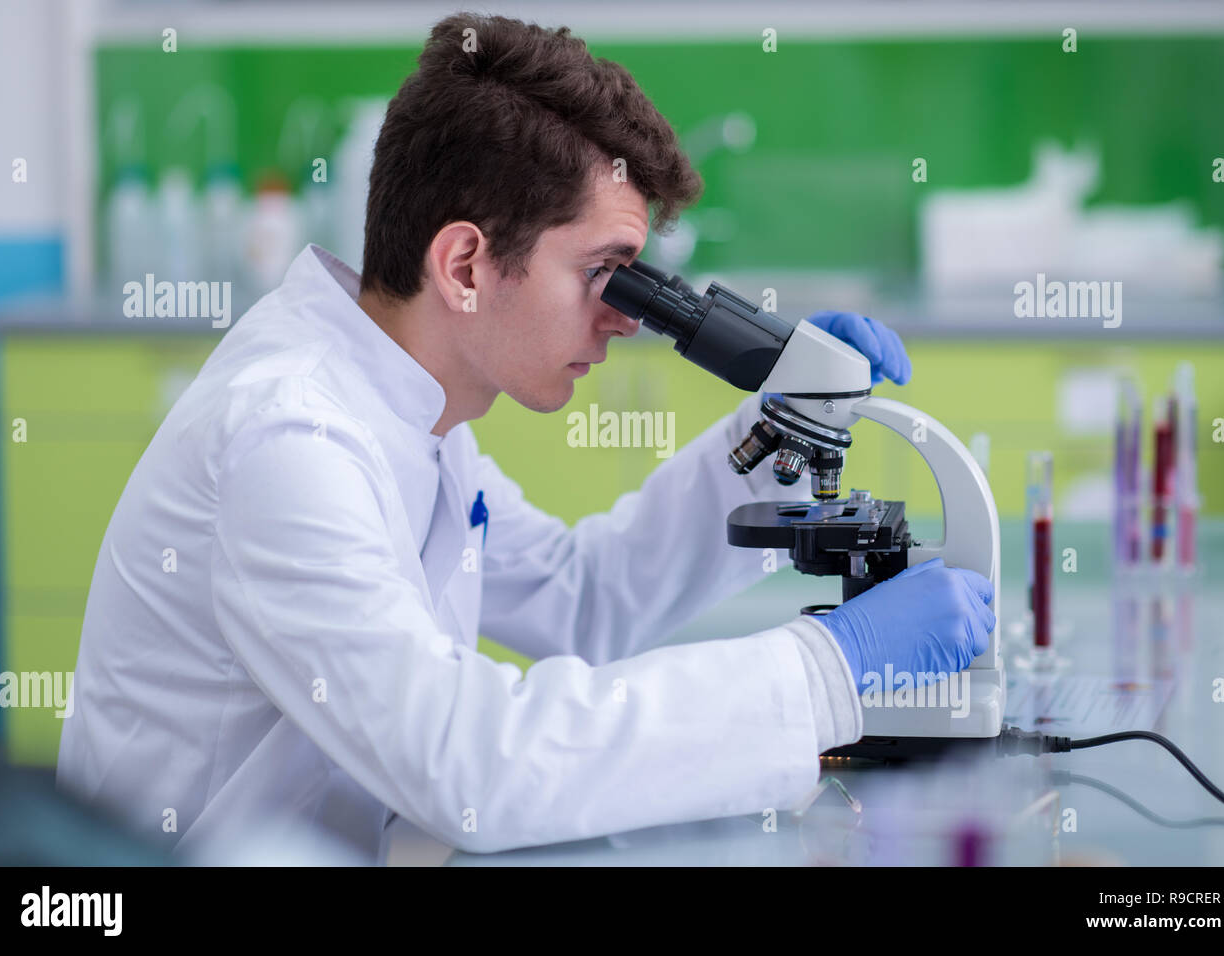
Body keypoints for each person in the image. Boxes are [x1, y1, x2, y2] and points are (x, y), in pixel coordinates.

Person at [57, 13, 993, 860]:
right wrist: (830, 667)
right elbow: (470, 766)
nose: (628, 319)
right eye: (605, 273)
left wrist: (779, 427)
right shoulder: (290, 439)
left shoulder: (410, 407)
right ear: (465, 263)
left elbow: (581, 600)